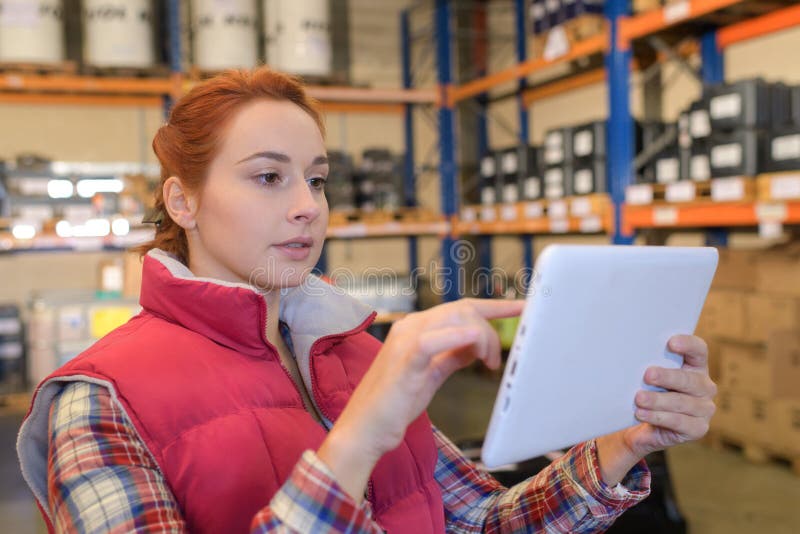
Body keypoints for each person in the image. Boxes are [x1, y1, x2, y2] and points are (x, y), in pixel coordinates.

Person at [17, 67, 717, 533]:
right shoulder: (99, 402)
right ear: (183, 200)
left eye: (316, 180)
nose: (306, 208)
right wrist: (356, 441)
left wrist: (626, 444)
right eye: (268, 177)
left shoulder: (356, 351)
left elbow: (478, 522)